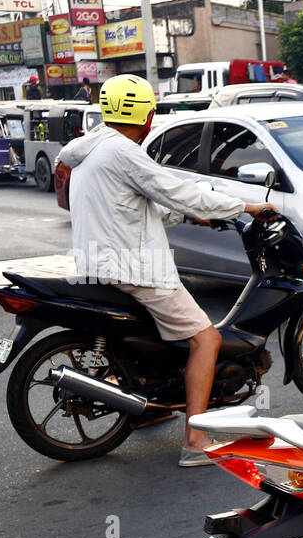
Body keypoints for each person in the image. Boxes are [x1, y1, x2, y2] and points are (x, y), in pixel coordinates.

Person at [55, 75, 278, 466]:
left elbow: (142, 208)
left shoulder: (90, 151)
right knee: (206, 339)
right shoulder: (124, 152)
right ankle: (195, 440)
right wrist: (245, 207)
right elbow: (177, 191)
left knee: (157, 334)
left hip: (99, 263)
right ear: (148, 116)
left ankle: (151, 407)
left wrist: (194, 215)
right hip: (134, 268)